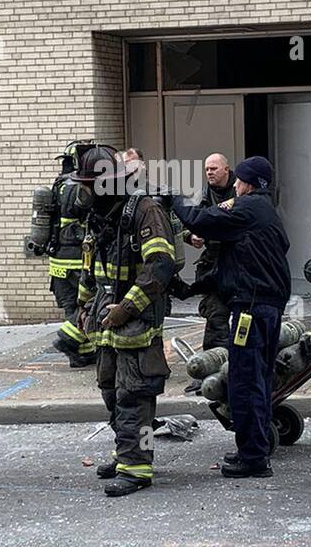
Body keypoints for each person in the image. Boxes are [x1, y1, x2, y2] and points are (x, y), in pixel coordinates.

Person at [172, 156, 290, 478]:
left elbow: (200, 220)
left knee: (244, 380)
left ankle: (251, 458)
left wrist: (173, 198)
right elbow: (234, 269)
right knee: (259, 379)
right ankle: (257, 447)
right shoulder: (263, 213)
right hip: (264, 306)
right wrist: (191, 289)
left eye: (238, 180)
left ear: (248, 183)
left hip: (250, 312)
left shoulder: (248, 206)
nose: (235, 185)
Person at [73, 146, 175, 497]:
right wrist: (85, 305)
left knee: (135, 396)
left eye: (90, 185)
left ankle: (138, 467)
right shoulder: (100, 216)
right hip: (106, 321)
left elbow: (159, 266)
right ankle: (124, 454)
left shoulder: (145, 210)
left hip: (137, 323)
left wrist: (125, 309)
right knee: (111, 391)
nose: (84, 194)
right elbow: (92, 266)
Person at [49, 142, 97, 368]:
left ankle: (82, 355)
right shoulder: (78, 186)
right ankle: (67, 339)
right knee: (88, 304)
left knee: (71, 307)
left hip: (57, 260)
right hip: (77, 258)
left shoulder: (57, 185)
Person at [183, 153, 238, 349]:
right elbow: (185, 221)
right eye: (207, 169)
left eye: (213, 168)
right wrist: (191, 236)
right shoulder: (202, 194)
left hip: (240, 262)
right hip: (214, 263)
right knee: (215, 313)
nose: (209, 172)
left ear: (226, 169)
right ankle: (215, 361)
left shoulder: (240, 189)